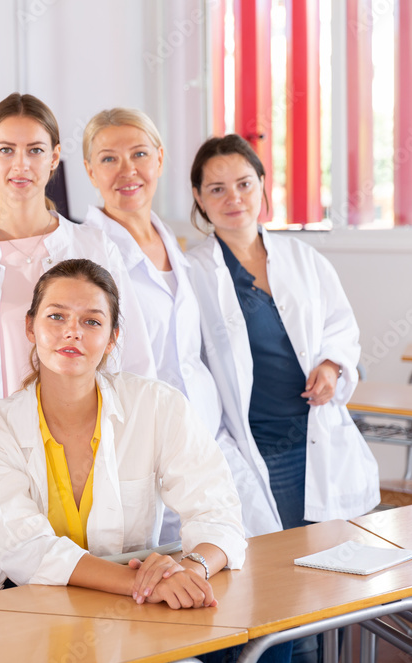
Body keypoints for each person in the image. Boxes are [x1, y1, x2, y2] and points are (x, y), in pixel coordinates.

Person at [186, 134, 378, 663]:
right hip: (254, 449)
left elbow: (341, 326)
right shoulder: (194, 272)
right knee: (278, 585)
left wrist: (332, 365)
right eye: (217, 188)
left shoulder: (302, 257)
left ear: (263, 186)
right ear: (198, 198)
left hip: (315, 439)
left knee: (330, 577)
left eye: (244, 184)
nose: (234, 198)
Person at [0, 93, 155, 545]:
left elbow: (132, 358)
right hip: (2, 455)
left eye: (35, 150)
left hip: (88, 448)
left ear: (54, 157)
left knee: (95, 572)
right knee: (20, 576)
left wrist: (136, 452)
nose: (21, 164)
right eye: (6, 150)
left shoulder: (94, 246)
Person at [0, 259, 245, 609]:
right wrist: (145, 586)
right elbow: (24, 547)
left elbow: (218, 513)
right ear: (30, 327)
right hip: (32, 603)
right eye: (56, 316)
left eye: (92, 321)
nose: (73, 332)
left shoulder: (157, 405)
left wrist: (189, 572)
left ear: (112, 339)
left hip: (134, 608)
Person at [80, 108, 281, 541]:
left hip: (209, 432)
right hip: (147, 449)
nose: (127, 170)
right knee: (185, 566)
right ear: (90, 170)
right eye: (109, 158)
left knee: (264, 547)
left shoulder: (171, 240)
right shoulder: (86, 252)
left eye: (139, 154)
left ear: (159, 159)